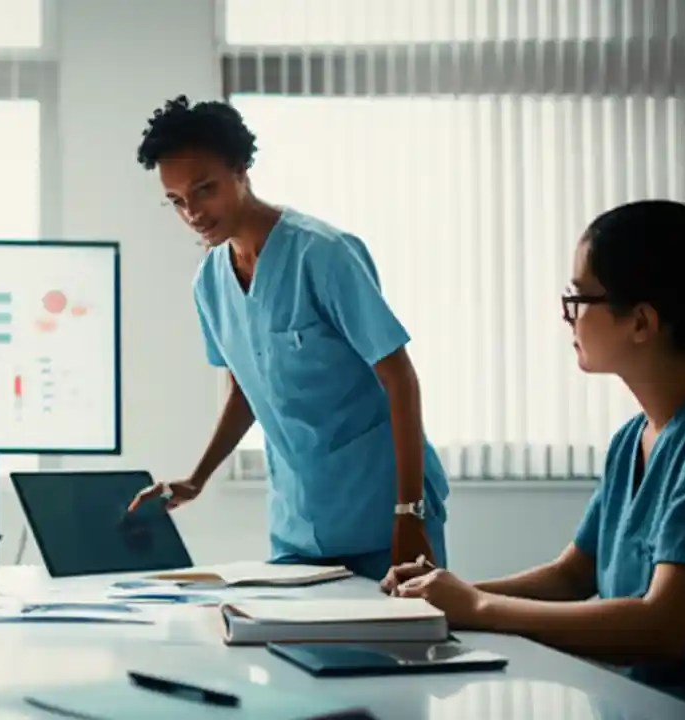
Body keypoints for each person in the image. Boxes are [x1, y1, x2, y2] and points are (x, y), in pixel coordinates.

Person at [382, 201, 685, 718]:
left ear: (640, 322)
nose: (567, 314)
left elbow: (662, 627)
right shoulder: (632, 438)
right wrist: (441, 592)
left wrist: (477, 607)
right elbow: (573, 575)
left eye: (578, 297)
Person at [127, 95, 449, 580]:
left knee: (397, 650)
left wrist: (409, 514)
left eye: (205, 189)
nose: (192, 212)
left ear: (242, 169)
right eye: (176, 201)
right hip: (298, 523)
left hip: (382, 512)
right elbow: (247, 392)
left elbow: (399, 379)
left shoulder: (323, 255)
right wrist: (197, 478)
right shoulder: (210, 282)